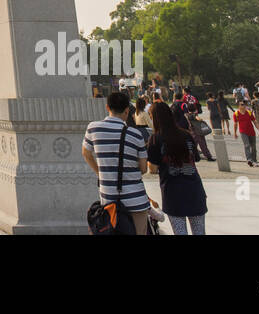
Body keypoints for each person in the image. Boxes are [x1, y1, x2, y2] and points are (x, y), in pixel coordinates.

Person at [82, 91, 151, 234]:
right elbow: (144, 168)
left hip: (109, 197)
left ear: (107, 108)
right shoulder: (135, 134)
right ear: (127, 110)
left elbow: (86, 153)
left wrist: (100, 173)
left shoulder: (93, 128)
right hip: (136, 197)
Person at [147, 101, 208, 235]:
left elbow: (152, 169)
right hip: (194, 189)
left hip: (173, 193)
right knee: (199, 232)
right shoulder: (186, 134)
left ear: (154, 118)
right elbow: (195, 159)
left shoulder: (155, 139)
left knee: (180, 232)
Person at [233, 100, 258, 167]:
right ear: (238, 106)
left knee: (253, 147)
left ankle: (254, 160)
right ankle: (249, 159)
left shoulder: (249, 112)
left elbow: (254, 121)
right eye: (241, 104)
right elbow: (235, 124)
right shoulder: (236, 114)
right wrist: (235, 133)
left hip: (251, 131)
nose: (243, 106)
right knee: (247, 145)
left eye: (244, 104)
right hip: (243, 132)